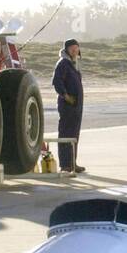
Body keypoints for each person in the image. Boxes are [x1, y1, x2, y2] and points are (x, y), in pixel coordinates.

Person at [51, 38, 85, 174]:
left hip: (76, 106)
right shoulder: (63, 63)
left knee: (74, 135)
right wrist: (65, 96)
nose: (75, 50)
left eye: (76, 48)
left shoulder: (74, 63)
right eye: (72, 48)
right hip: (67, 105)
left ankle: (72, 163)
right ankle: (65, 165)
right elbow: (56, 81)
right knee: (66, 133)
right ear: (66, 50)